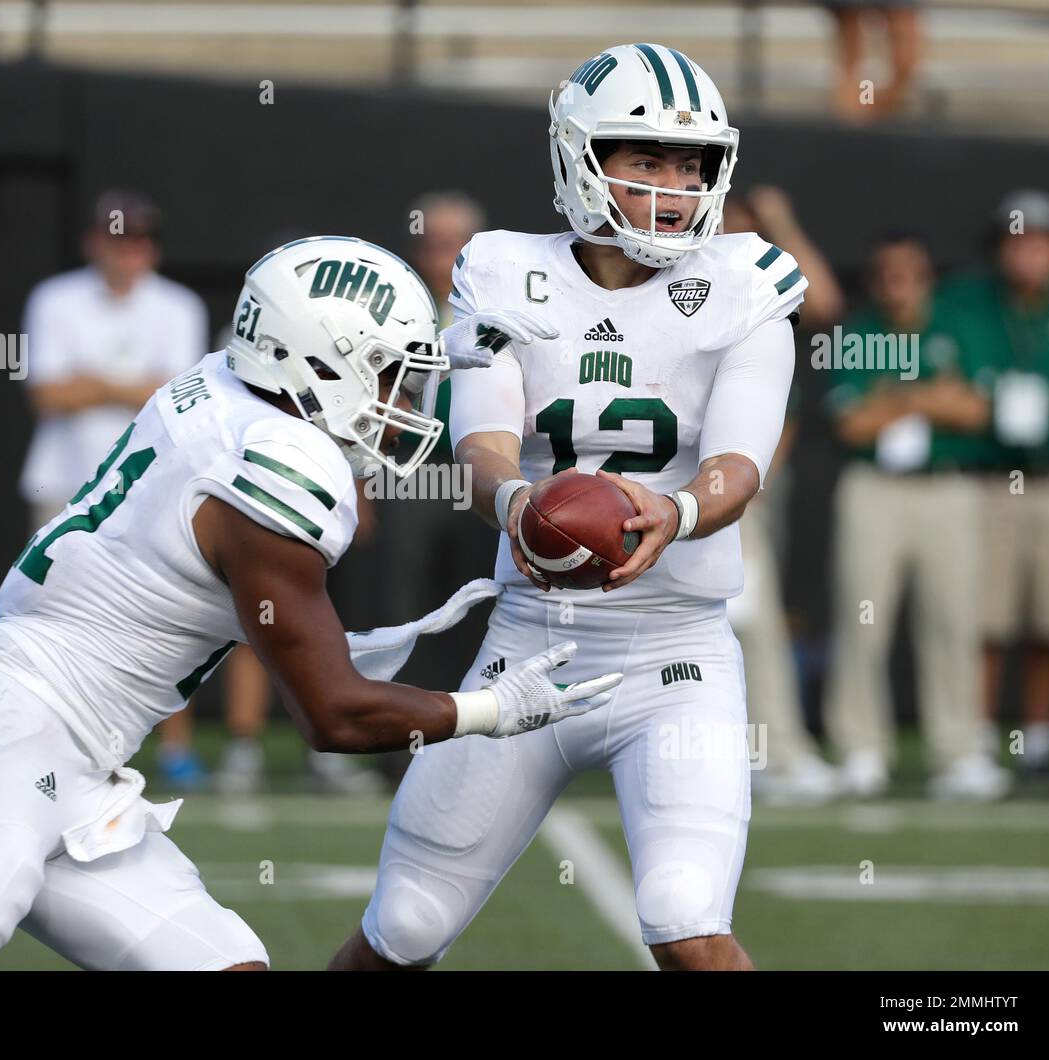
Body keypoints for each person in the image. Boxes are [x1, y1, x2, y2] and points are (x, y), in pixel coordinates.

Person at [0, 236, 621, 971]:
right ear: (319, 363)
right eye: (387, 371)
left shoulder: (221, 384)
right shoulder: (282, 466)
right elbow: (332, 716)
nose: (402, 400)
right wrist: (491, 708)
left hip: (68, 762)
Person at [332, 44, 801, 972]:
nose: (672, 186)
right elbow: (482, 440)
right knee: (407, 927)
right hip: (528, 644)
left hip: (677, 651)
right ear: (580, 157)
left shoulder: (747, 285)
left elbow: (740, 465)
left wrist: (675, 513)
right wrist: (516, 501)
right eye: (644, 159)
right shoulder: (504, 270)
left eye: (688, 163)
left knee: (684, 918)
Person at [17, 189, 211, 790]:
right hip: (64, 486)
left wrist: (92, 383)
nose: (130, 254)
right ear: (94, 242)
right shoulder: (54, 299)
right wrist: (131, 386)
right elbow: (47, 394)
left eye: (140, 242)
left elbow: (176, 395)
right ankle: (50, 743)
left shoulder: (178, 306)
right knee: (51, 619)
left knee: (172, 616)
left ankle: (175, 751)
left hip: (152, 488)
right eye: (118, 240)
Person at [823, 232, 1010, 800]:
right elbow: (851, 424)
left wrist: (897, 397)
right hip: (874, 487)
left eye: (908, 271)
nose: (897, 283)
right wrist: (930, 396)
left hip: (947, 489)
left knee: (953, 620)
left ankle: (956, 751)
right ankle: (860, 747)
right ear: (875, 280)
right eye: (886, 273)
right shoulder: (858, 332)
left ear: (928, 276)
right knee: (862, 619)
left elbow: (978, 411)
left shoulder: (959, 326)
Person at [721, 188, 845, 804]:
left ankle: (770, 751)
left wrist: (779, 220)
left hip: (743, 481)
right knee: (736, 623)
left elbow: (823, 299)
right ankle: (769, 754)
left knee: (752, 622)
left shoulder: (763, 291)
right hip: (691, 478)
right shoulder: (690, 283)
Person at [943, 191, 1049, 776]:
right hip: (992, 478)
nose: (1027, 255)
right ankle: (983, 734)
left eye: (1039, 244)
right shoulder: (971, 303)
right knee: (987, 617)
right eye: (1017, 243)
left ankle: (1039, 737)